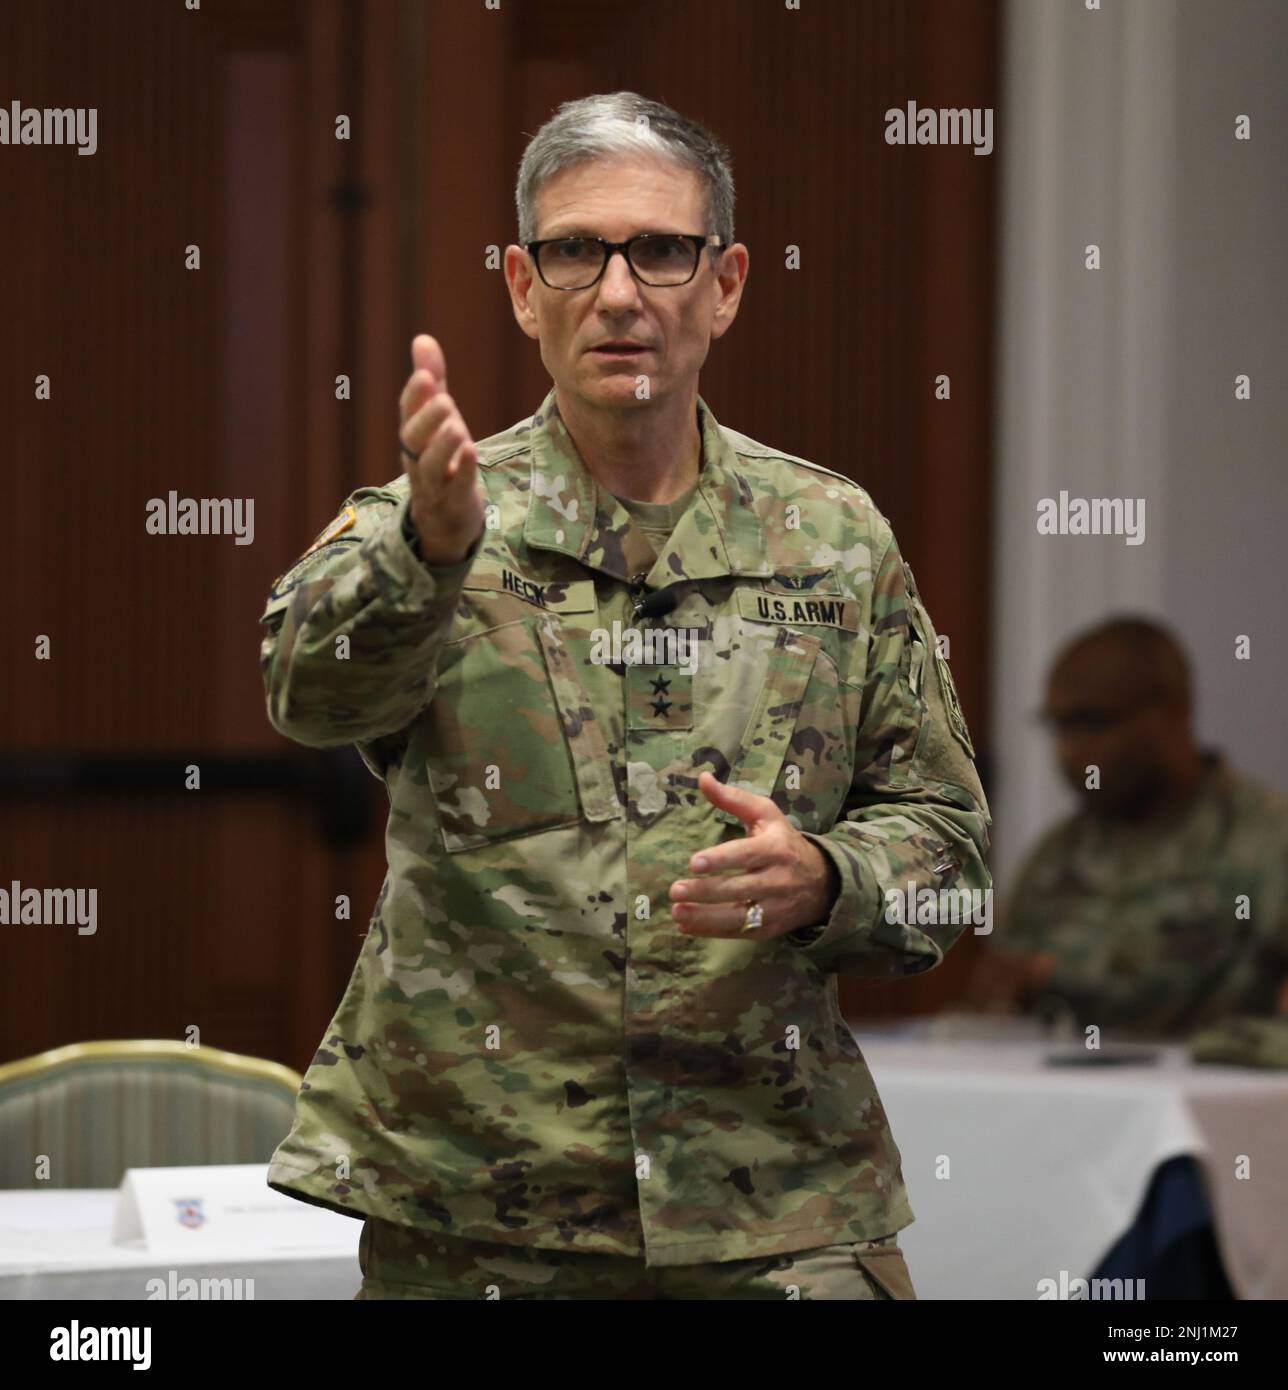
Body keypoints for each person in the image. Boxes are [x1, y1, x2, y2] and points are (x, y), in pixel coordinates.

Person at [258, 91, 990, 1300]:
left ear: (727, 282)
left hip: (775, 1200)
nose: (616, 291)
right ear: (519, 285)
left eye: (659, 250)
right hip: (484, 1210)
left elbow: (951, 849)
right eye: (574, 250)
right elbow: (306, 695)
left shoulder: (833, 535)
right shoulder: (436, 518)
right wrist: (426, 557)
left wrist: (827, 878)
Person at [967, 616, 1288, 1038]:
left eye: (1092, 723)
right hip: (1079, 1100)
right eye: (1058, 726)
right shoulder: (1057, 857)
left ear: (1172, 711)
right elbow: (1001, 1006)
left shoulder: (1265, 839)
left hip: (1219, 1099)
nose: (1069, 751)